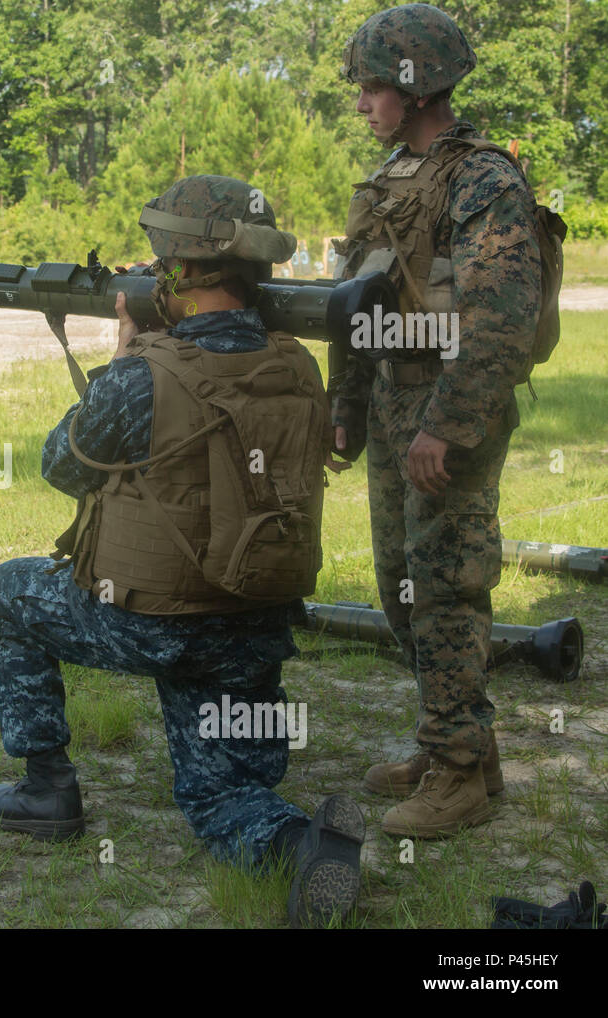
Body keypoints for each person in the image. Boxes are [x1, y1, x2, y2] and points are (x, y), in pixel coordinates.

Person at [0, 175, 364, 928]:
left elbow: (62, 466)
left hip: (155, 623)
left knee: (5, 591)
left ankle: (47, 789)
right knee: (218, 797)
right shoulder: (296, 366)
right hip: (253, 621)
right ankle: (299, 843)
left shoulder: (142, 375)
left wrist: (122, 359)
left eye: (159, 259)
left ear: (181, 270)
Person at [327, 4, 541, 837]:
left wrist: (449, 425)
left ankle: (455, 772)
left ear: (415, 85)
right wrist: (346, 405)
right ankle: (461, 745)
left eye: (374, 86)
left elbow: (501, 315)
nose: (363, 102)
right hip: (389, 403)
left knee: (447, 586)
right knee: (400, 588)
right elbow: (355, 303)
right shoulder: (385, 181)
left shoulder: (484, 179)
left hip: (450, 410)